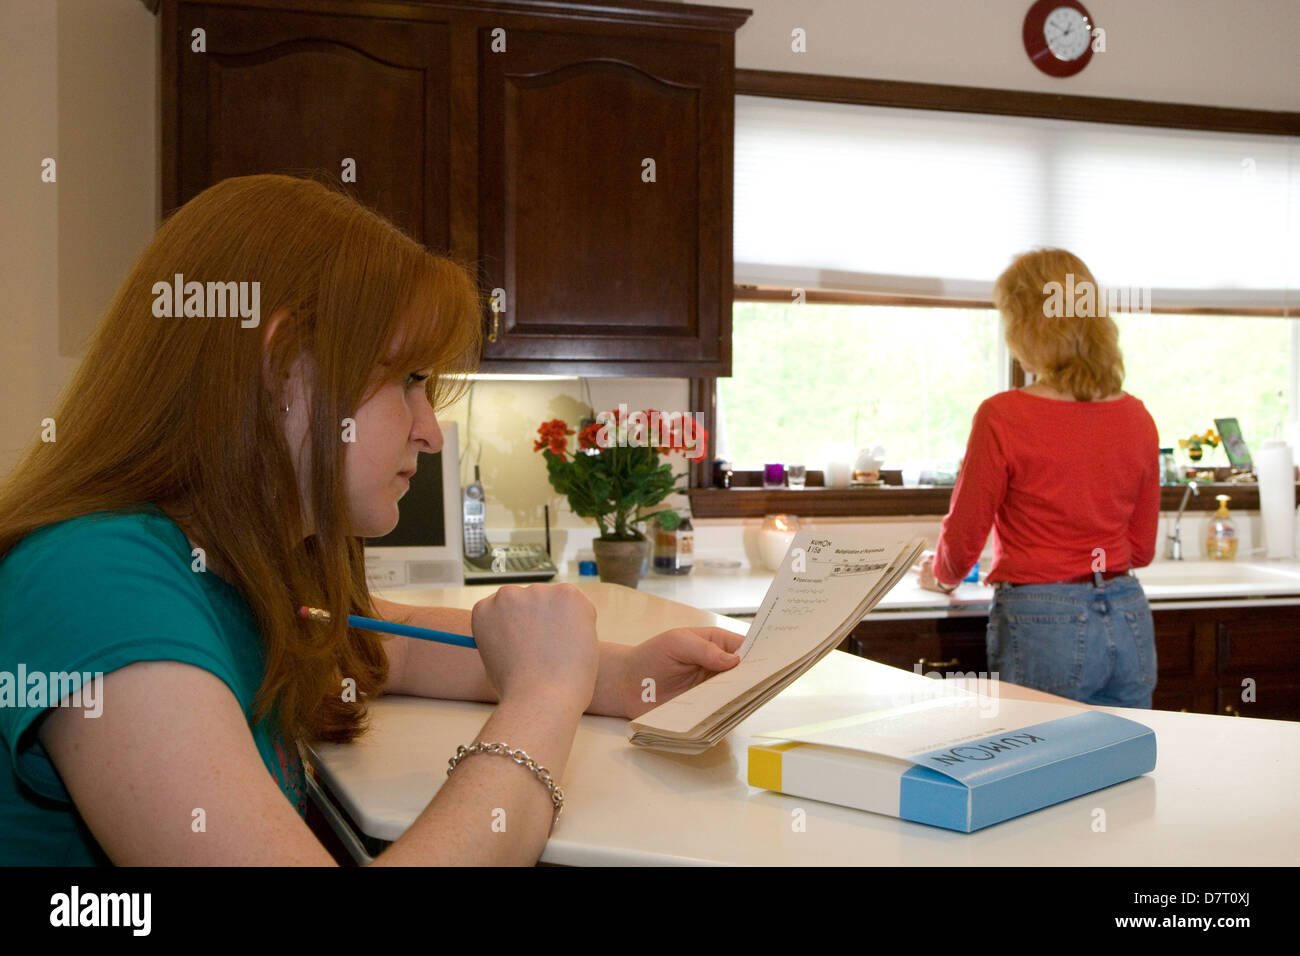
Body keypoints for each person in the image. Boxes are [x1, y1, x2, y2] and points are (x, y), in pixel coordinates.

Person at [0, 174, 742, 866]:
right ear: (283, 364)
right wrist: (542, 699)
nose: (431, 431)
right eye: (410, 381)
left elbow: (391, 646)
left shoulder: (225, 566)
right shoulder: (95, 582)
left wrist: (616, 675)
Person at [918, 248, 1160, 709]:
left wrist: (942, 574)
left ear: (1025, 325)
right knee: (1124, 768)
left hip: (1042, 619)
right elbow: (1142, 548)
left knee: (1041, 766)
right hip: (1128, 612)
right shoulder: (1136, 416)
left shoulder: (1004, 415)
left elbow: (966, 533)